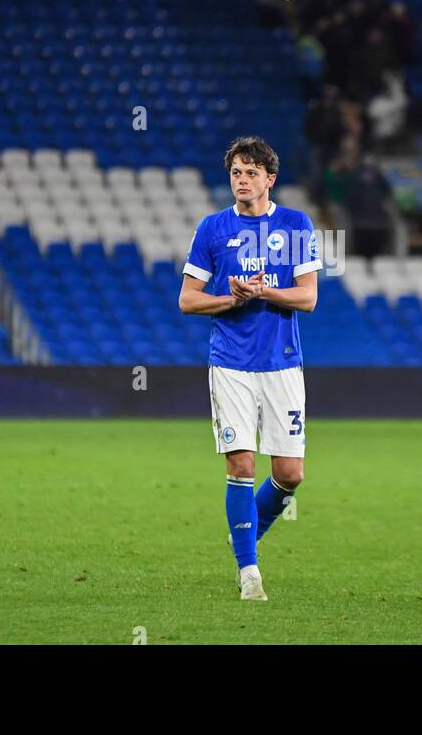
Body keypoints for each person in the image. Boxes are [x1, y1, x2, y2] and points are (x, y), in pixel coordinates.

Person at [178, 137, 321, 601]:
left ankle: (244, 535)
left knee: (291, 473)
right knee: (241, 463)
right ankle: (249, 572)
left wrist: (262, 293)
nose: (242, 180)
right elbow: (187, 300)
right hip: (231, 364)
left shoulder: (296, 225)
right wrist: (231, 298)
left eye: (251, 173)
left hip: (283, 363)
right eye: (236, 173)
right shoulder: (213, 229)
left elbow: (308, 296)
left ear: (270, 179)